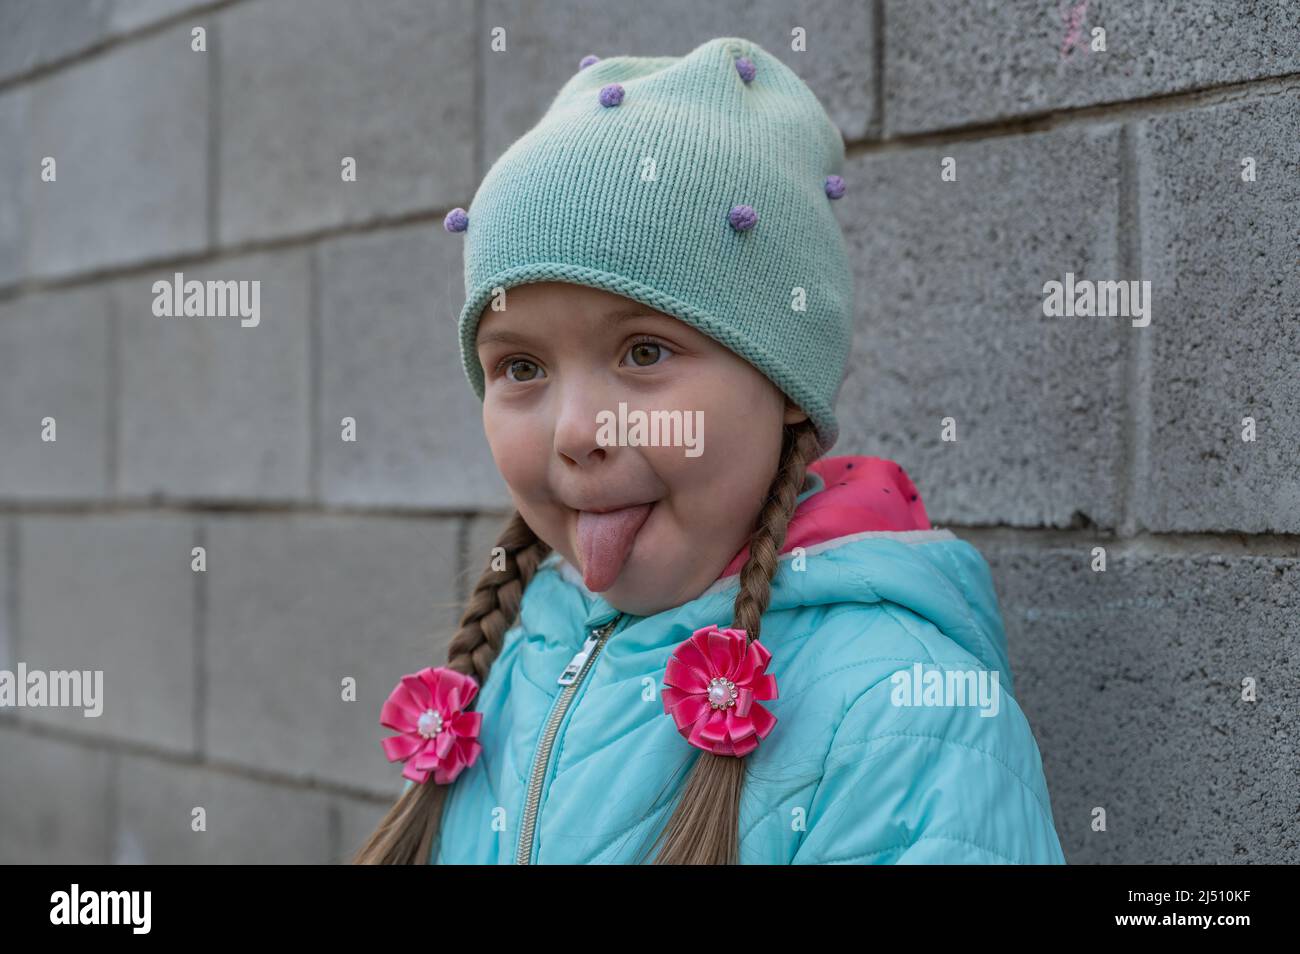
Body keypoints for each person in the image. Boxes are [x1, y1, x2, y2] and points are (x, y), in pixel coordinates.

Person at [354, 36, 1066, 865]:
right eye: (520, 367)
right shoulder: (524, 661)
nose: (577, 432)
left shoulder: (903, 716)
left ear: (788, 389)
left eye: (645, 353)